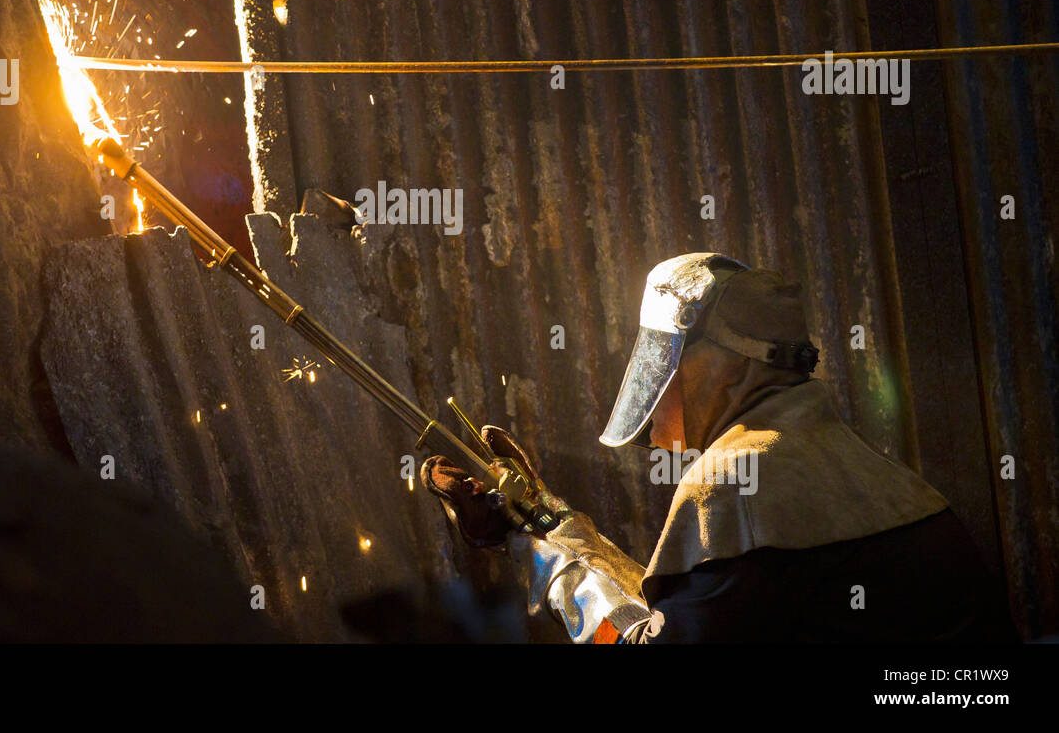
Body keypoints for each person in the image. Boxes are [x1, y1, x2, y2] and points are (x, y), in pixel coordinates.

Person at [422, 253, 1016, 643]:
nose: (659, 398)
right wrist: (558, 527)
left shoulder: (733, 481)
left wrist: (540, 559)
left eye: (669, 361)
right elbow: (692, 618)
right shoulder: (879, 476)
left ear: (728, 368)